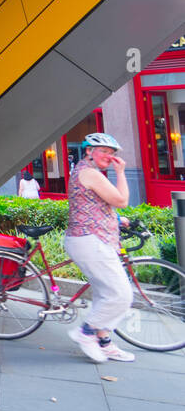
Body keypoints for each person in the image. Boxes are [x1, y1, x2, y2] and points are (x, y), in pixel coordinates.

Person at [64, 132, 135, 363]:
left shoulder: (86, 172)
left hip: (93, 240)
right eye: (103, 151)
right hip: (89, 241)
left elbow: (94, 205)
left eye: (112, 153)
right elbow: (121, 200)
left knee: (107, 295)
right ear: (88, 151)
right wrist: (122, 172)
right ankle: (86, 332)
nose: (109, 156)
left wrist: (116, 219)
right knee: (121, 295)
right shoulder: (89, 172)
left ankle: (104, 342)